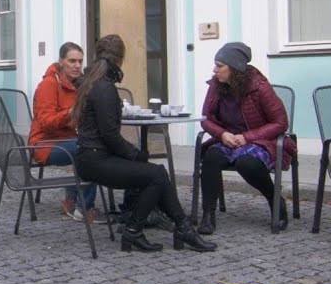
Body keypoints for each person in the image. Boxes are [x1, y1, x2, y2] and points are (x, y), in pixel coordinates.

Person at [72, 34, 215, 253]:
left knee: (154, 173)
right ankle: (137, 230)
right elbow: (110, 135)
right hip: (95, 160)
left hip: (91, 156)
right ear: (120, 59)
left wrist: (134, 154)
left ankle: (180, 228)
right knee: (156, 174)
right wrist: (134, 154)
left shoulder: (93, 82)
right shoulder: (104, 87)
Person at [195, 42, 296, 235]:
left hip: (259, 141)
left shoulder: (260, 87)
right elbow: (206, 119)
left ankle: (275, 199)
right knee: (211, 158)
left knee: (246, 163)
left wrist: (247, 137)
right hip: (228, 139)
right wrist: (222, 134)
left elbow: (280, 122)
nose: (215, 70)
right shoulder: (216, 86)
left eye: (219, 65)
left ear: (234, 68)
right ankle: (208, 215)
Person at [28, 42, 97, 222]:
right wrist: (69, 113)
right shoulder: (48, 85)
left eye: (80, 62)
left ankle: (71, 201)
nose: (77, 66)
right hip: (44, 144)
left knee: (95, 145)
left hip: (68, 139)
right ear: (61, 61)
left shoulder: (78, 84)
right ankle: (84, 207)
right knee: (89, 149)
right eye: (72, 61)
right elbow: (46, 123)